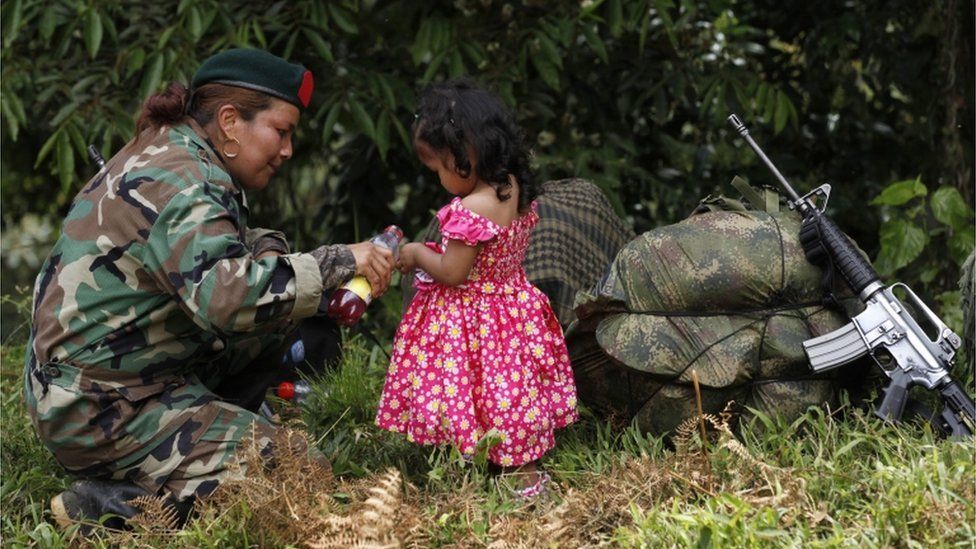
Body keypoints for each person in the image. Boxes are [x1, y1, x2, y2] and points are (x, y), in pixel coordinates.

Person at [24, 48, 396, 530]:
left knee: (281, 321)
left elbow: (221, 263)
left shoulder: (175, 151)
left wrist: (296, 275)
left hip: (95, 384)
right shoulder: (185, 181)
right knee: (298, 471)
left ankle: (203, 436)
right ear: (229, 121)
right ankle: (107, 507)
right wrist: (340, 261)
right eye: (280, 132)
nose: (287, 150)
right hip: (100, 409)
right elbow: (228, 298)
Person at [375, 79, 578, 497]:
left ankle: (498, 470)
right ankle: (521, 469)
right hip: (512, 309)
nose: (438, 179)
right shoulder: (512, 188)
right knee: (507, 392)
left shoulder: (471, 208)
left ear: (463, 154)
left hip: (475, 316)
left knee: (466, 384)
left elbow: (453, 272)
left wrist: (415, 253)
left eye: (438, 168)